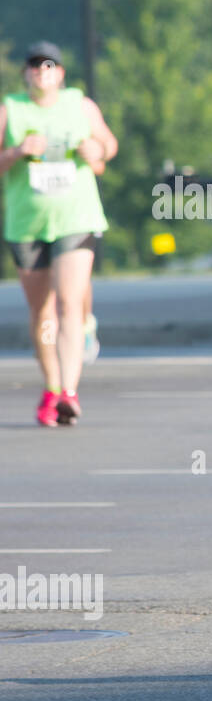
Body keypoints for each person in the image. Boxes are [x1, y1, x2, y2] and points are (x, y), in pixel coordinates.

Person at [0, 41, 117, 426]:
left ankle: (69, 390)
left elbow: (108, 145)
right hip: (28, 224)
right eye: (33, 65)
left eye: (48, 64)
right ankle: (51, 386)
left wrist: (93, 150)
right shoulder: (10, 109)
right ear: (25, 73)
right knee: (42, 311)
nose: (40, 71)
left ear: (60, 73)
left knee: (69, 302)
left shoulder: (80, 106)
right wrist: (16, 152)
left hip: (76, 217)